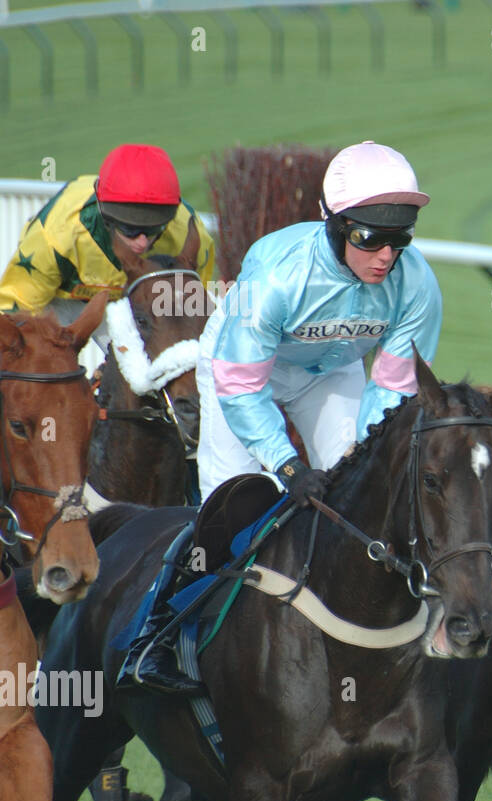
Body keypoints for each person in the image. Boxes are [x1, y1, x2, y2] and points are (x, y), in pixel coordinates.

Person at [120, 140, 443, 694]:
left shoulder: (418, 286)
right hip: (242, 372)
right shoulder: (278, 278)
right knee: (235, 508)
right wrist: (288, 467)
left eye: (399, 238)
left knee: (369, 493)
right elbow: (243, 388)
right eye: (368, 237)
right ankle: (157, 634)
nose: (386, 255)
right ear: (334, 225)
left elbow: (393, 393)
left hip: (330, 374)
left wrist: (362, 458)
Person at [0, 143, 216, 348]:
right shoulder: (57, 236)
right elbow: (15, 310)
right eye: (130, 230)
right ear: (106, 217)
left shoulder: (188, 235)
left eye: (153, 231)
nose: (142, 242)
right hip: (57, 298)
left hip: (131, 301)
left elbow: (191, 310)